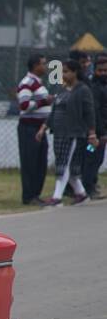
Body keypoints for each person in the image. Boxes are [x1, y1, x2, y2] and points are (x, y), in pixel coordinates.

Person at [39, 57, 96, 206]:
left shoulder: (83, 90)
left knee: (64, 164)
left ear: (75, 72)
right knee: (67, 165)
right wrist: (44, 126)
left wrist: (92, 133)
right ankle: (82, 194)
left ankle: (57, 197)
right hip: (59, 132)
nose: (63, 75)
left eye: (66, 72)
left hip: (74, 133)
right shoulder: (62, 89)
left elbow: (89, 113)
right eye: (62, 72)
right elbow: (54, 110)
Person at [15, 53, 52, 205]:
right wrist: (43, 102)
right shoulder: (27, 83)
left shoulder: (38, 82)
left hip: (40, 128)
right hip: (29, 127)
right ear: (35, 66)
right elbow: (24, 104)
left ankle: (36, 194)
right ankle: (29, 196)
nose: (45, 66)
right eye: (43, 64)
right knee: (30, 162)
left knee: (40, 162)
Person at [83, 53, 107, 199]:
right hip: (96, 133)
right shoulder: (94, 87)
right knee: (91, 156)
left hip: (102, 131)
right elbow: (95, 112)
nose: (103, 73)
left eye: (105, 70)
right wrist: (101, 132)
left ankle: (91, 183)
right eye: (100, 70)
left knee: (96, 158)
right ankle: (88, 187)